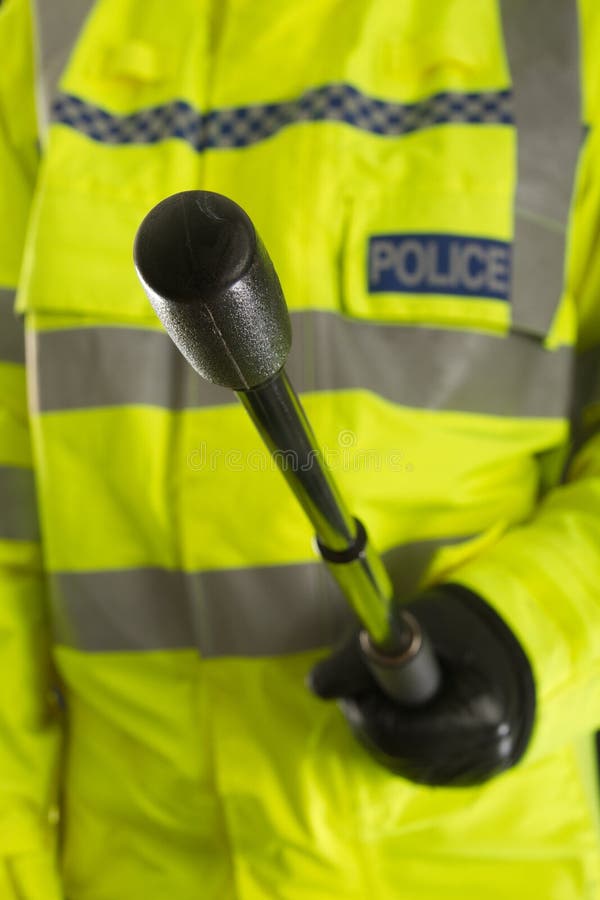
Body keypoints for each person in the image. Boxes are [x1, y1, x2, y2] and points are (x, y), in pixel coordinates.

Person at [1, 0, 599, 896]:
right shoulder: (41, 31)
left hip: (470, 863)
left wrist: (526, 638)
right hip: (133, 867)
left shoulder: (564, 29)